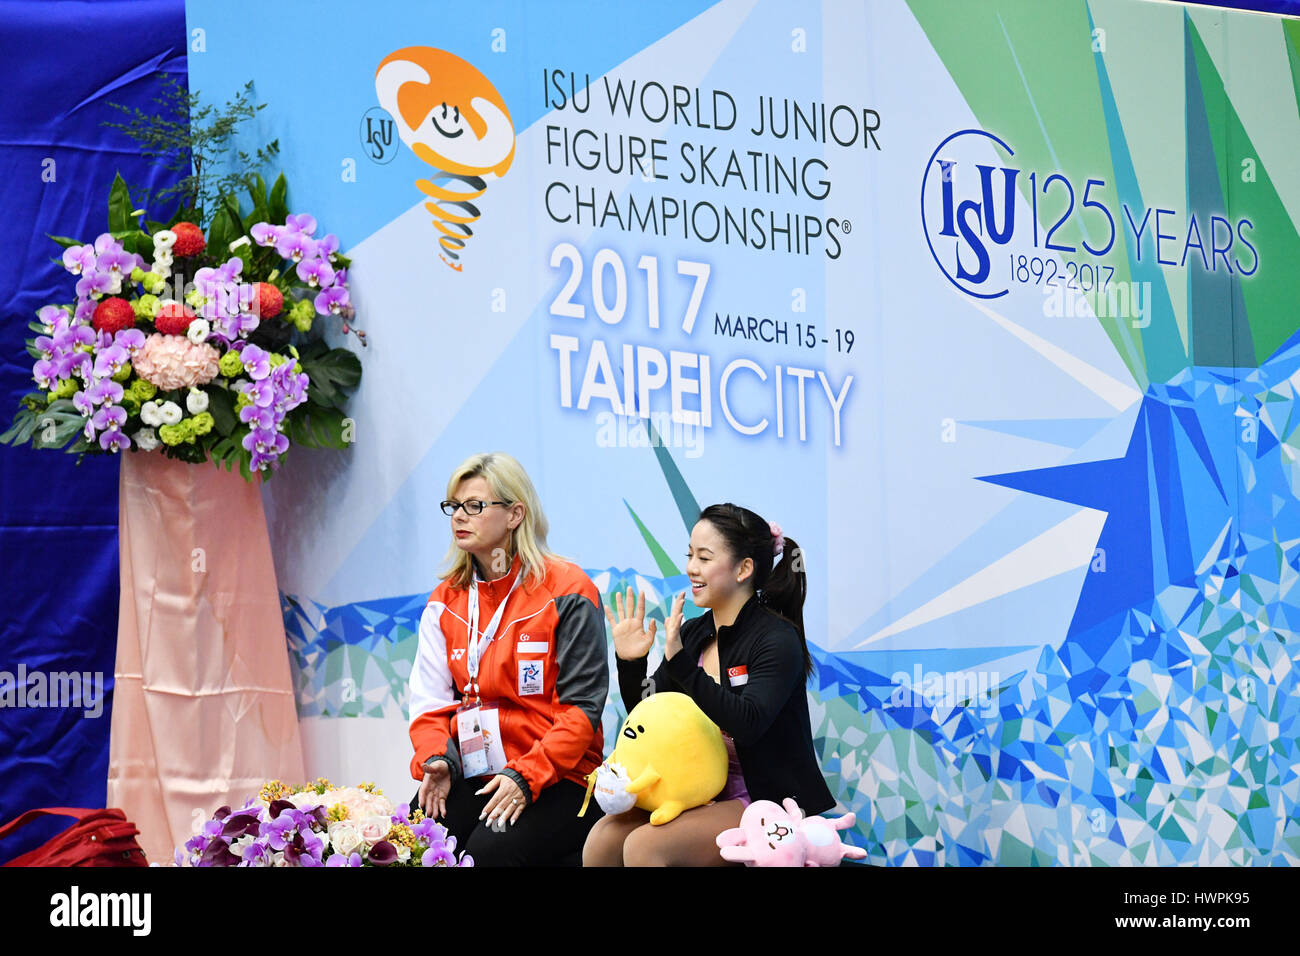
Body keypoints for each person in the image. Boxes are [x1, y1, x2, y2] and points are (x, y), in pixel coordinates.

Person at [583, 502, 835, 866]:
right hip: (694, 789)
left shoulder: (776, 639)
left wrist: (684, 667)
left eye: (704, 557)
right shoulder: (695, 633)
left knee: (645, 847)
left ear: (743, 568)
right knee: (602, 839)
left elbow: (747, 724)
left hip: (761, 799)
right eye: (689, 555)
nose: (691, 568)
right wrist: (632, 663)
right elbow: (650, 711)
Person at [408, 451, 607, 865]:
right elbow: (428, 704)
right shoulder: (445, 600)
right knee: (412, 842)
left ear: (515, 513)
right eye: (453, 507)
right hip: (475, 769)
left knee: (487, 852)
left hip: (561, 776)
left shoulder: (568, 590)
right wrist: (438, 761)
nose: (459, 517)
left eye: (474, 506)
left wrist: (525, 776)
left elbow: (581, 712)